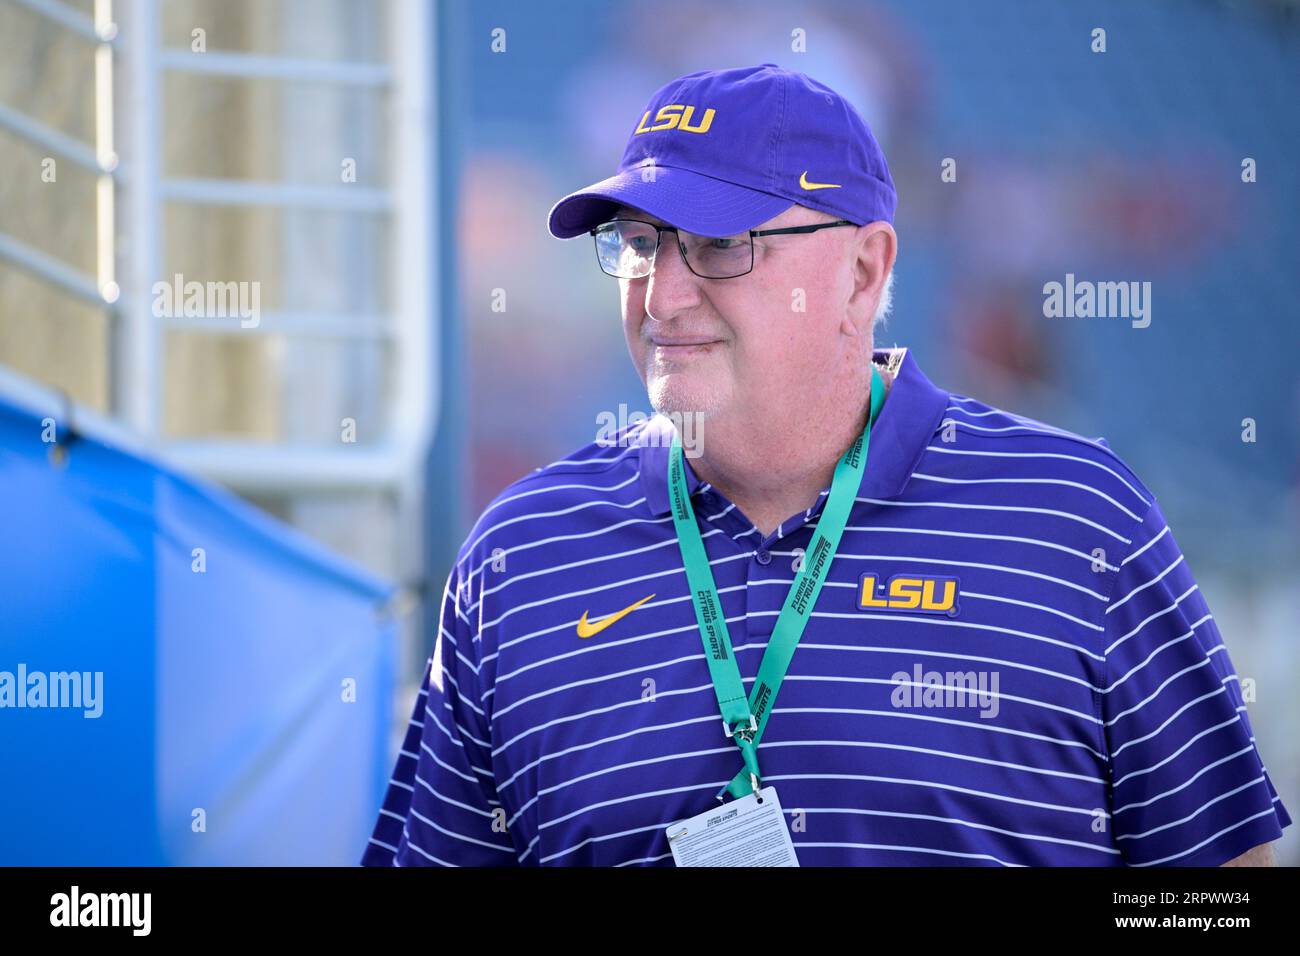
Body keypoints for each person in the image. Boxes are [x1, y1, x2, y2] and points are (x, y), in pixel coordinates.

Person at [362, 63, 1288, 867]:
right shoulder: (523, 556)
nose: (663, 295)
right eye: (641, 245)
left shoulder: (1074, 518)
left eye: (720, 244)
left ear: (862, 273)